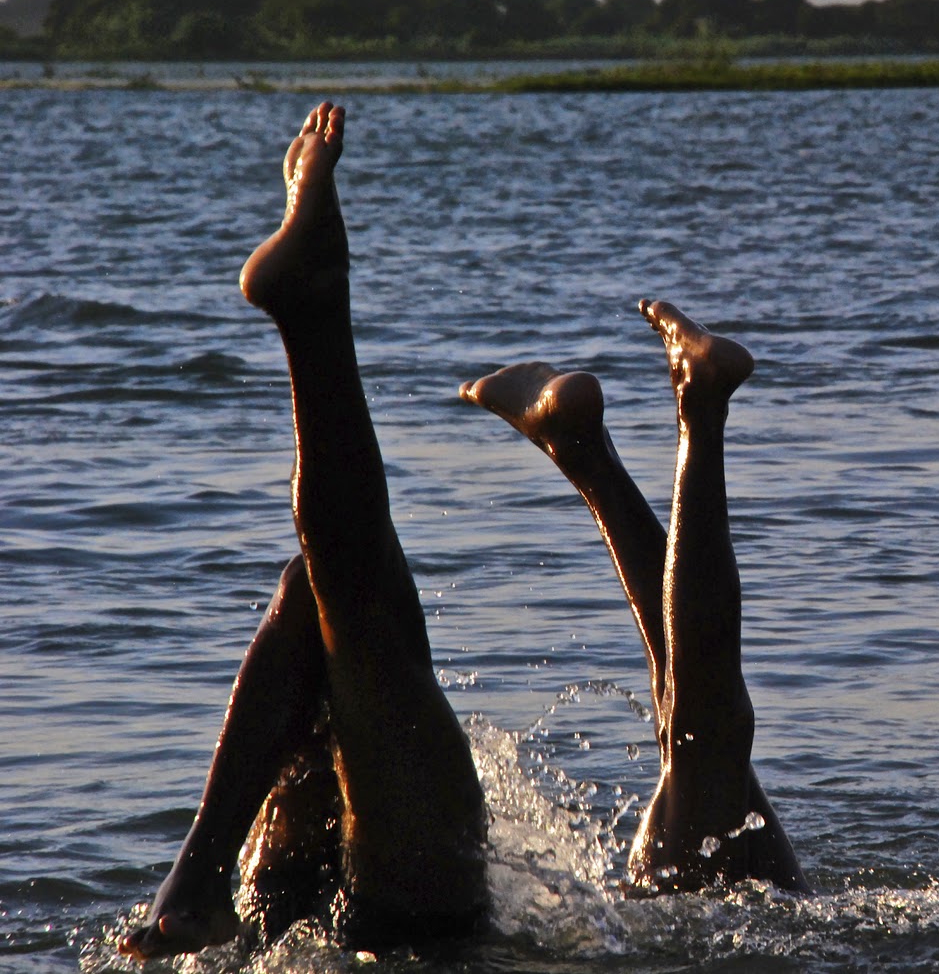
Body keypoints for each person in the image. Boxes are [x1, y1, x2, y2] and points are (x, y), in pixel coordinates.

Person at [120, 103, 802, 961]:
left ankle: (601, 435)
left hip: (348, 897)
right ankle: (614, 432)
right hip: (411, 910)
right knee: (700, 754)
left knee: (330, 593)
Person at [458, 303, 808, 894]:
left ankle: (601, 439)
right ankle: (616, 435)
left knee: (697, 740)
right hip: (750, 907)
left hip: (711, 916)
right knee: (696, 740)